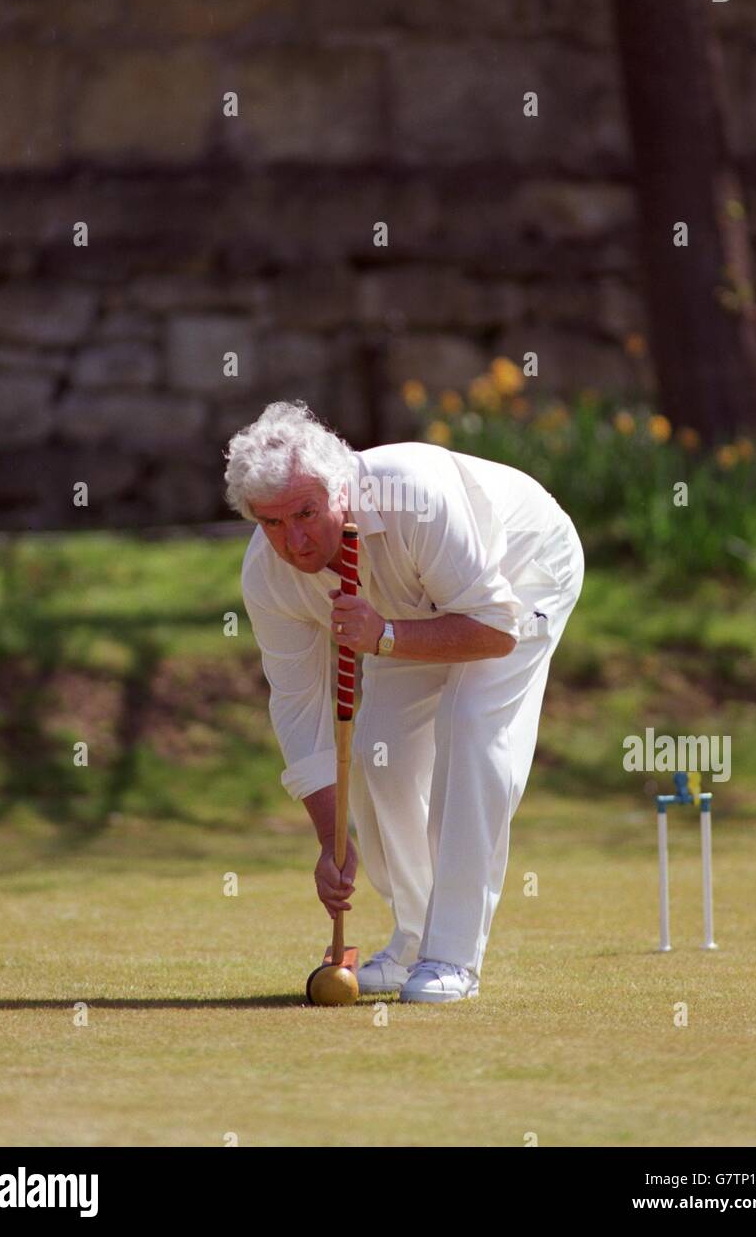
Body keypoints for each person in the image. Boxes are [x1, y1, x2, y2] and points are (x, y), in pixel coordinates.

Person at [225, 399, 584, 1004]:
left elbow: (495, 630)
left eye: (306, 513)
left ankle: (453, 958)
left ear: (340, 487)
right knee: (377, 756)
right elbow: (296, 705)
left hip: (520, 573)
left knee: (471, 728)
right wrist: (331, 839)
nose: (296, 539)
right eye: (273, 523)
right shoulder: (267, 575)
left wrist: (385, 636)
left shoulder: (414, 495)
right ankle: (414, 940)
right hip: (403, 608)